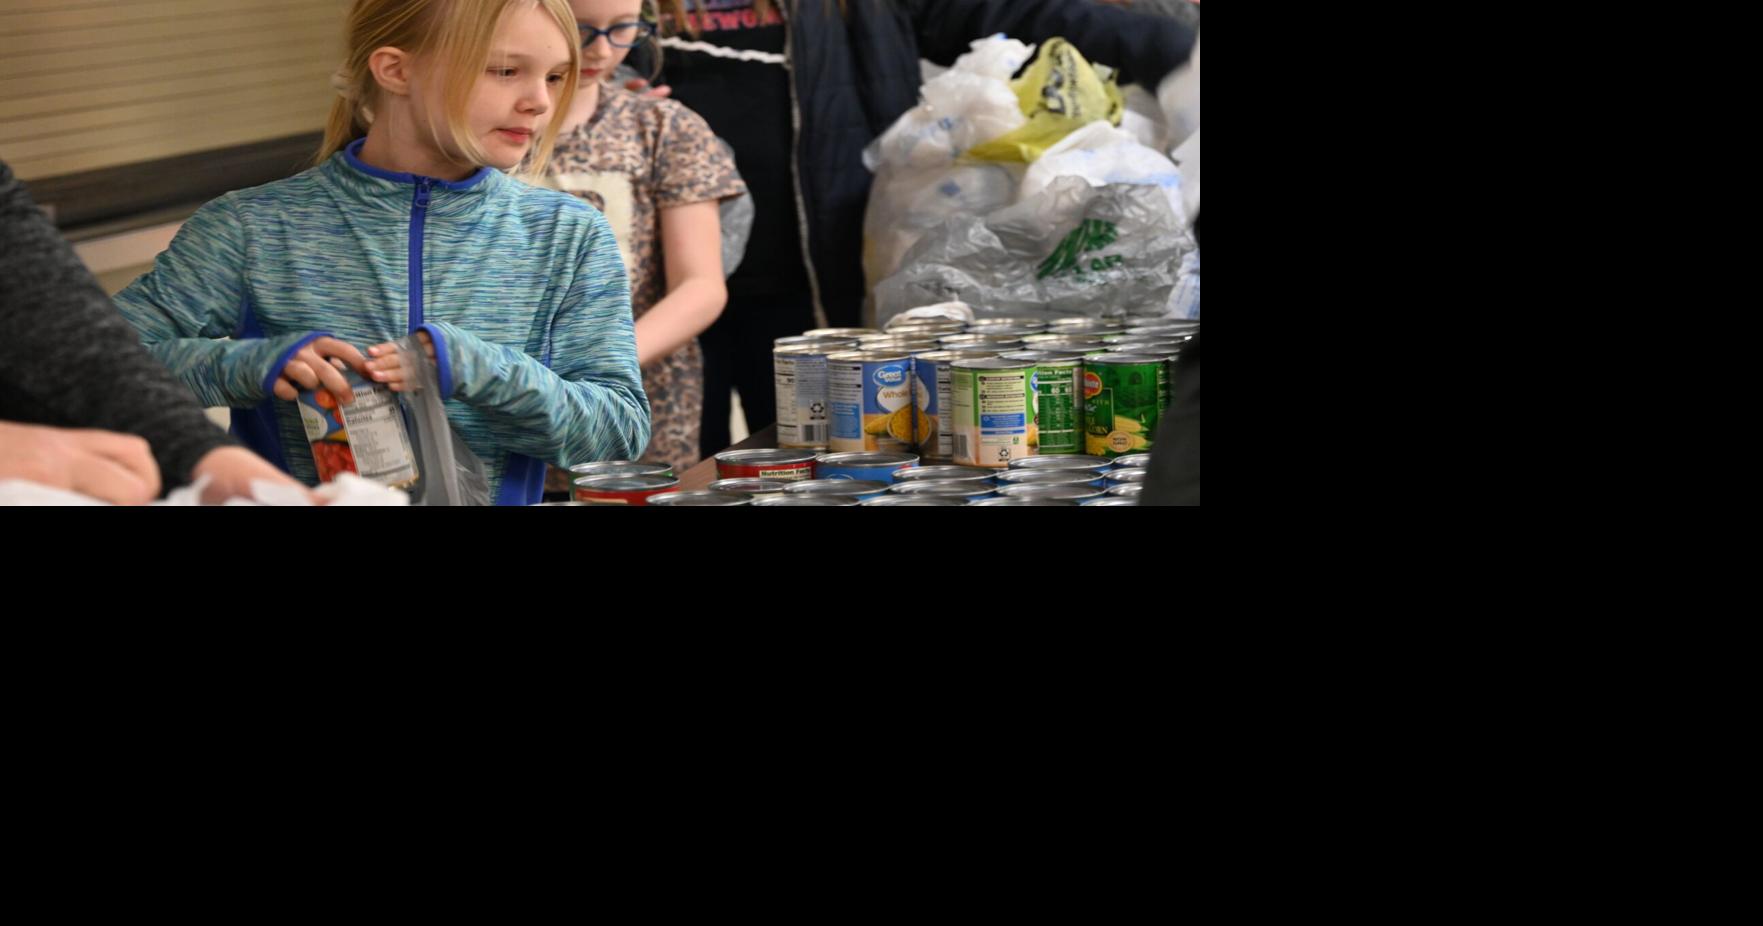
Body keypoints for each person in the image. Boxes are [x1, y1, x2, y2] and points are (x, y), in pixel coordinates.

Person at [113, 0, 650, 506]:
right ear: (396, 70)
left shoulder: (568, 235)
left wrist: (482, 370)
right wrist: (251, 365)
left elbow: (617, 431)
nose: (541, 100)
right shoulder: (250, 228)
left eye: (554, 76)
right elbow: (104, 367)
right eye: (505, 71)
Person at [1, 160, 304, 505]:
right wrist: (253, 364)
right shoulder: (251, 226)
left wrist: (201, 453)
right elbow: (128, 337)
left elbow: (83, 345)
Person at [540, 0, 746, 481]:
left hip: (641, 410)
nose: (600, 50)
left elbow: (701, 285)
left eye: (622, 29)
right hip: (500, 423)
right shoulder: (481, 133)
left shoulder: (665, 128)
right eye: (580, 28)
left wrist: (600, 368)